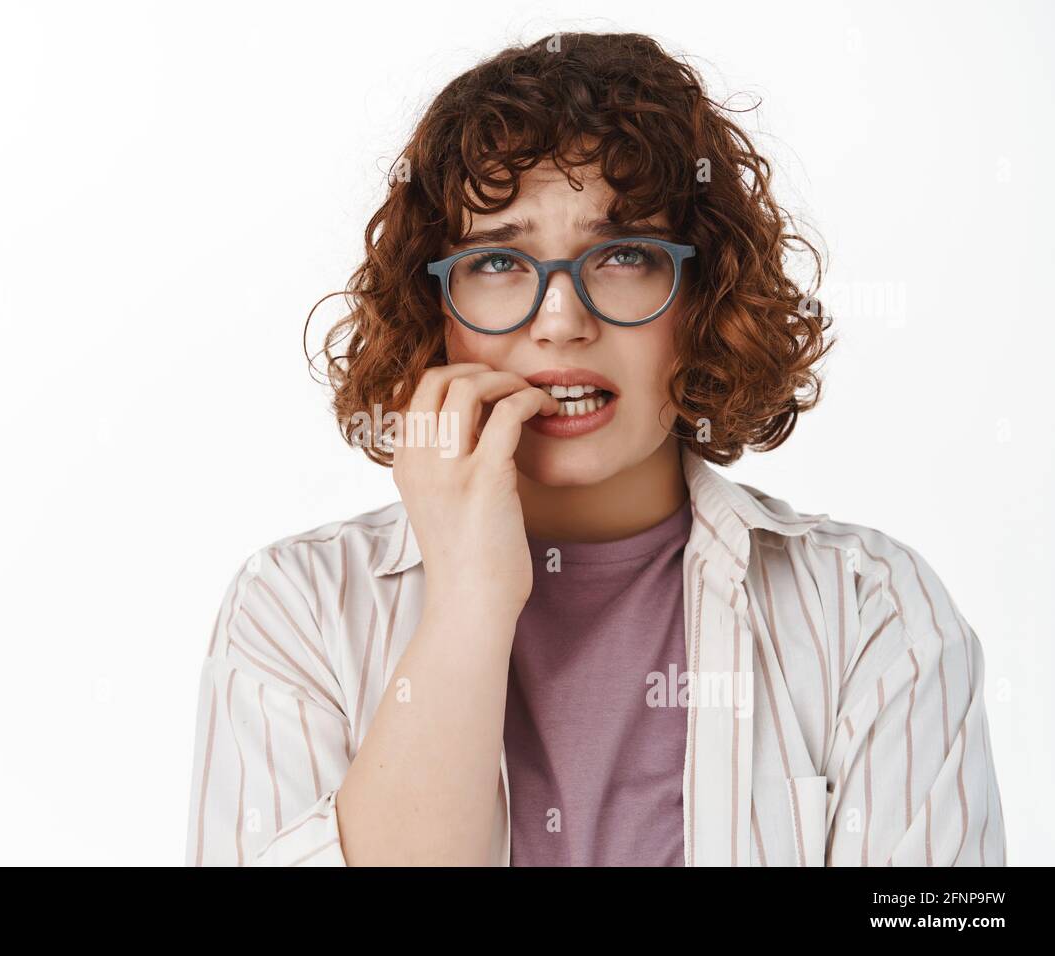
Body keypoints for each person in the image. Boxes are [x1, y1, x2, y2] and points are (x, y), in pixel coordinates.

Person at [185, 31, 1005, 866]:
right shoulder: (297, 611)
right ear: (434, 310)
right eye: (497, 261)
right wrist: (469, 599)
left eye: (624, 255)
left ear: (702, 298)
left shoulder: (872, 611)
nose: (561, 321)